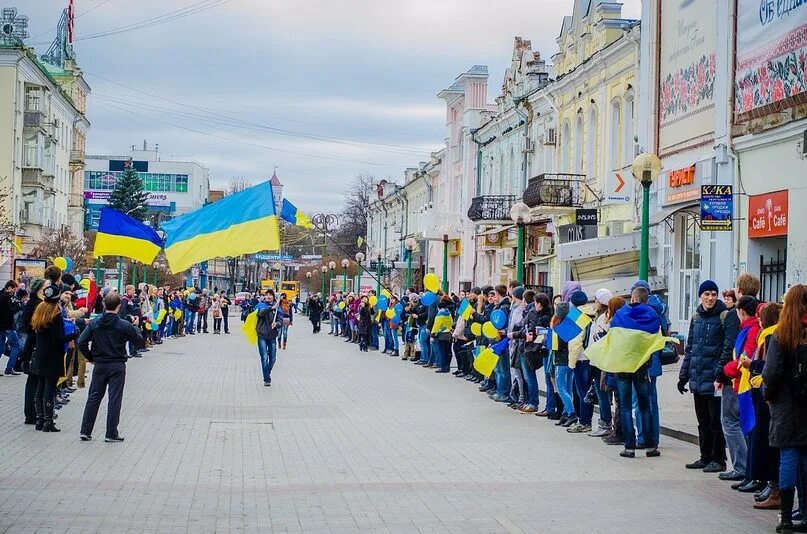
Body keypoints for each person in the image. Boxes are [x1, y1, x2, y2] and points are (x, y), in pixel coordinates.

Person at [763, 285, 807, 532]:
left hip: (786, 406)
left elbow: (772, 373)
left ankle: (786, 518)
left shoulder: (782, 335)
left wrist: (768, 396)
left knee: (789, 456)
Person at [78, 291, 143, 442]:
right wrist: (136, 327)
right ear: (119, 307)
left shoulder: (95, 323)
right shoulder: (123, 324)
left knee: (94, 396)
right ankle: (111, 433)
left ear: (103, 304)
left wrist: (91, 357)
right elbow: (139, 342)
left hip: (100, 363)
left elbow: (82, 341)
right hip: (117, 364)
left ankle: (85, 430)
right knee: (115, 398)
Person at [679, 280, 729, 473]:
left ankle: (719, 459)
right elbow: (690, 349)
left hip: (715, 379)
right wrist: (683, 376)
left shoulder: (724, 316)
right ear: (700, 296)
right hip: (698, 378)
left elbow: (727, 347)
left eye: (713, 294)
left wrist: (720, 373)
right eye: (707, 294)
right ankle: (705, 456)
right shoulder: (696, 317)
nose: (710, 298)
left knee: (716, 421)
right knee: (703, 421)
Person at [716, 274, 760, 483]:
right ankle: (748, 470)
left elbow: (740, 354)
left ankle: (743, 468)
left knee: (734, 422)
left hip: (743, 382)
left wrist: (723, 371)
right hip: (743, 380)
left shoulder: (746, 325)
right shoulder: (754, 321)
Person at [615, 286, 660, 458]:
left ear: (632, 298)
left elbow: (614, 338)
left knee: (626, 407)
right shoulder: (651, 315)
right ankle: (649, 446)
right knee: (645, 406)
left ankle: (629, 447)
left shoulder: (620, 314)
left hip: (623, 365)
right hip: (642, 365)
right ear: (646, 300)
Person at [29, 285, 77, 432]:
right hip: (52, 356)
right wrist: (73, 333)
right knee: (49, 389)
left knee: (40, 387)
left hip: (40, 354)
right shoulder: (55, 315)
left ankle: (39, 419)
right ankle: (48, 421)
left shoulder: (40, 310)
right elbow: (58, 339)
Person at [256, 292, 280, 386]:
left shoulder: (278, 308)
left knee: (273, 358)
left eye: (270, 295)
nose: (268, 297)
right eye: (267, 295)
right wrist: (271, 308)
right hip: (262, 334)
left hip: (272, 335)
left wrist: (277, 324)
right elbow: (260, 314)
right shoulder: (261, 305)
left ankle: (267, 373)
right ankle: (267, 379)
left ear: (273, 297)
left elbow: (280, 320)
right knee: (264, 357)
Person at [0, 280, 21, 376]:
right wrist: (17, 306)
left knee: (1, 347)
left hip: (1, 326)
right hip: (8, 326)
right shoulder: (6, 297)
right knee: (16, 346)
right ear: (9, 288)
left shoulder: (1, 294)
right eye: (13, 289)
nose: (14, 291)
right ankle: (9, 368)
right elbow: (10, 311)